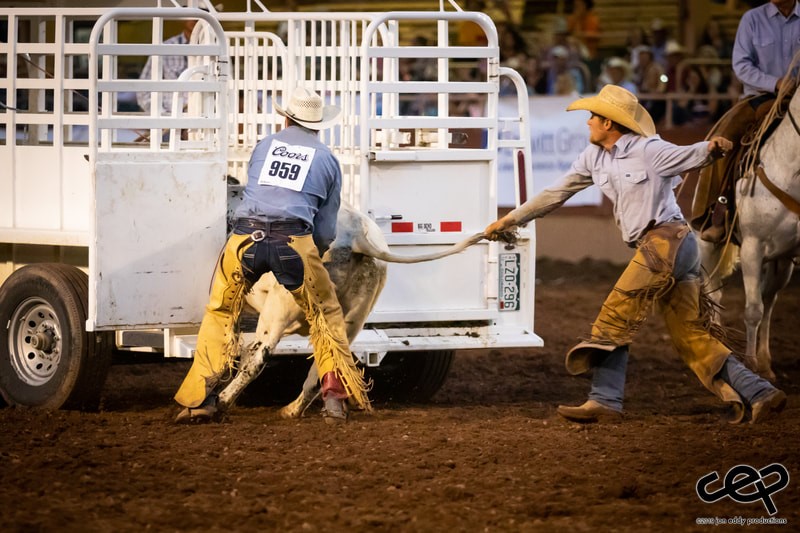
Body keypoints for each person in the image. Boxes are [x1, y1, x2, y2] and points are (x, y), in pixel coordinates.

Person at [483, 85, 786, 425]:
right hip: (668, 247)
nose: (588, 122)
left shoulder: (649, 150)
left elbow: (690, 154)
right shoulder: (593, 157)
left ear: (609, 123)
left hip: (666, 242)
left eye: (593, 116)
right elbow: (556, 192)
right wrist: (511, 220)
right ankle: (761, 392)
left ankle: (604, 399)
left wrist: (712, 148)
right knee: (691, 337)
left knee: (616, 313)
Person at [173, 87, 371, 425]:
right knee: (326, 315)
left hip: (244, 240)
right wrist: (312, 259)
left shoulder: (265, 146)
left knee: (221, 310)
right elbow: (325, 229)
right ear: (318, 125)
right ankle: (334, 399)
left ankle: (197, 400)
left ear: (286, 119)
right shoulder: (327, 159)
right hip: (294, 242)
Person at [691, 0, 800, 243]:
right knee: (724, 140)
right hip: (760, 98)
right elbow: (741, 65)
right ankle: (717, 211)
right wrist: (775, 83)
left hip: (799, 98)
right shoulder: (752, 19)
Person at [137, 17, 198, 114]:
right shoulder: (165, 48)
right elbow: (144, 91)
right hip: (168, 117)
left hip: (206, 119)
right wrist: (162, 115)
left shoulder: (216, 48)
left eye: (203, 12)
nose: (196, 18)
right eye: (192, 13)